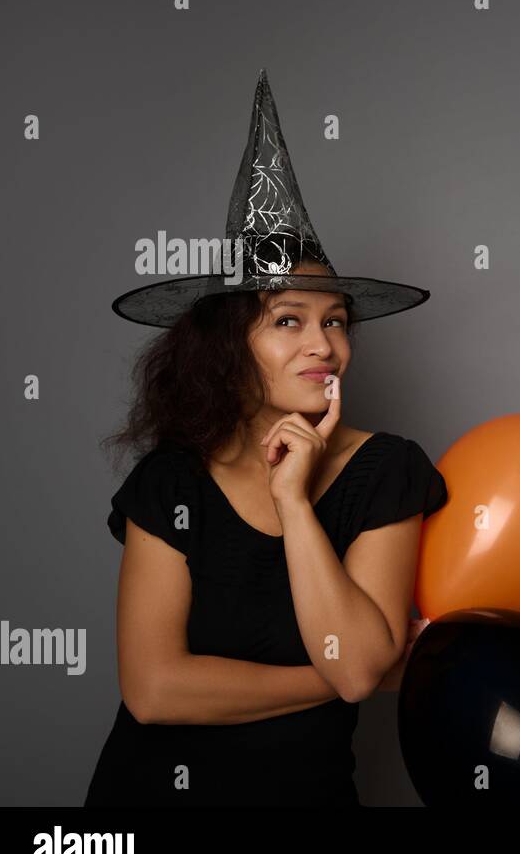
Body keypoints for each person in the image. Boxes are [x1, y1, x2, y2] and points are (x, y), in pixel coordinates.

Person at [85, 70, 445, 807]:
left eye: (336, 320)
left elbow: (355, 671)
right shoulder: (172, 483)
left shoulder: (386, 471)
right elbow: (154, 689)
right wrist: (353, 672)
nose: (324, 343)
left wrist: (295, 501)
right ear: (229, 345)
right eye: (289, 320)